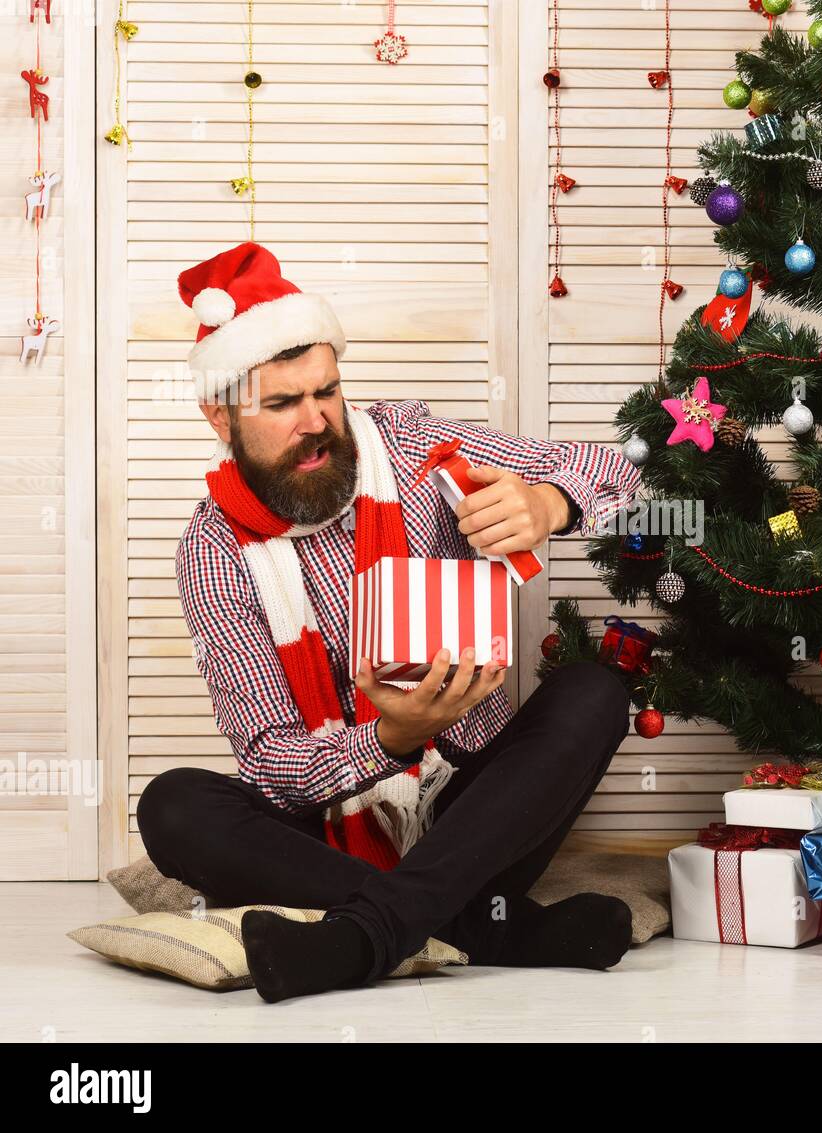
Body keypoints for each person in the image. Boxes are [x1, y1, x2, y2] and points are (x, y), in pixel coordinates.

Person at [136, 241, 642, 1003]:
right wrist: (388, 737)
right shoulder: (213, 551)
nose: (317, 422)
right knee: (172, 805)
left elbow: (621, 473)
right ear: (220, 416)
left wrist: (550, 503)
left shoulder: (408, 447)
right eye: (281, 404)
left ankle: (358, 936)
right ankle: (492, 928)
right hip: (325, 830)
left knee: (595, 692)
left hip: (471, 806)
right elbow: (273, 760)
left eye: (327, 392)